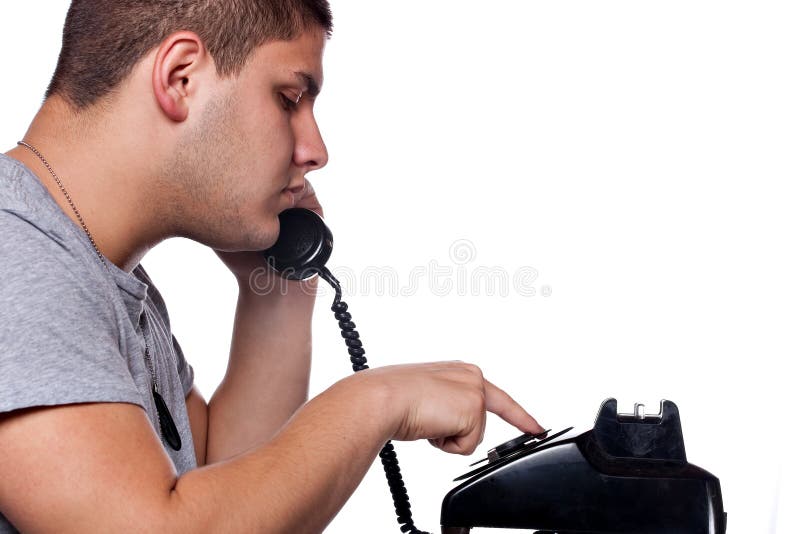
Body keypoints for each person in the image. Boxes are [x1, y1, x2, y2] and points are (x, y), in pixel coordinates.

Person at [0, 1, 544, 532]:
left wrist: (280, 286)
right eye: (288, 100)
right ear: (181, 77)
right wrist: (376, 401)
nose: (316, 150)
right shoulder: (17, 252)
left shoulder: (89, 270)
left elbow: (224, 488)